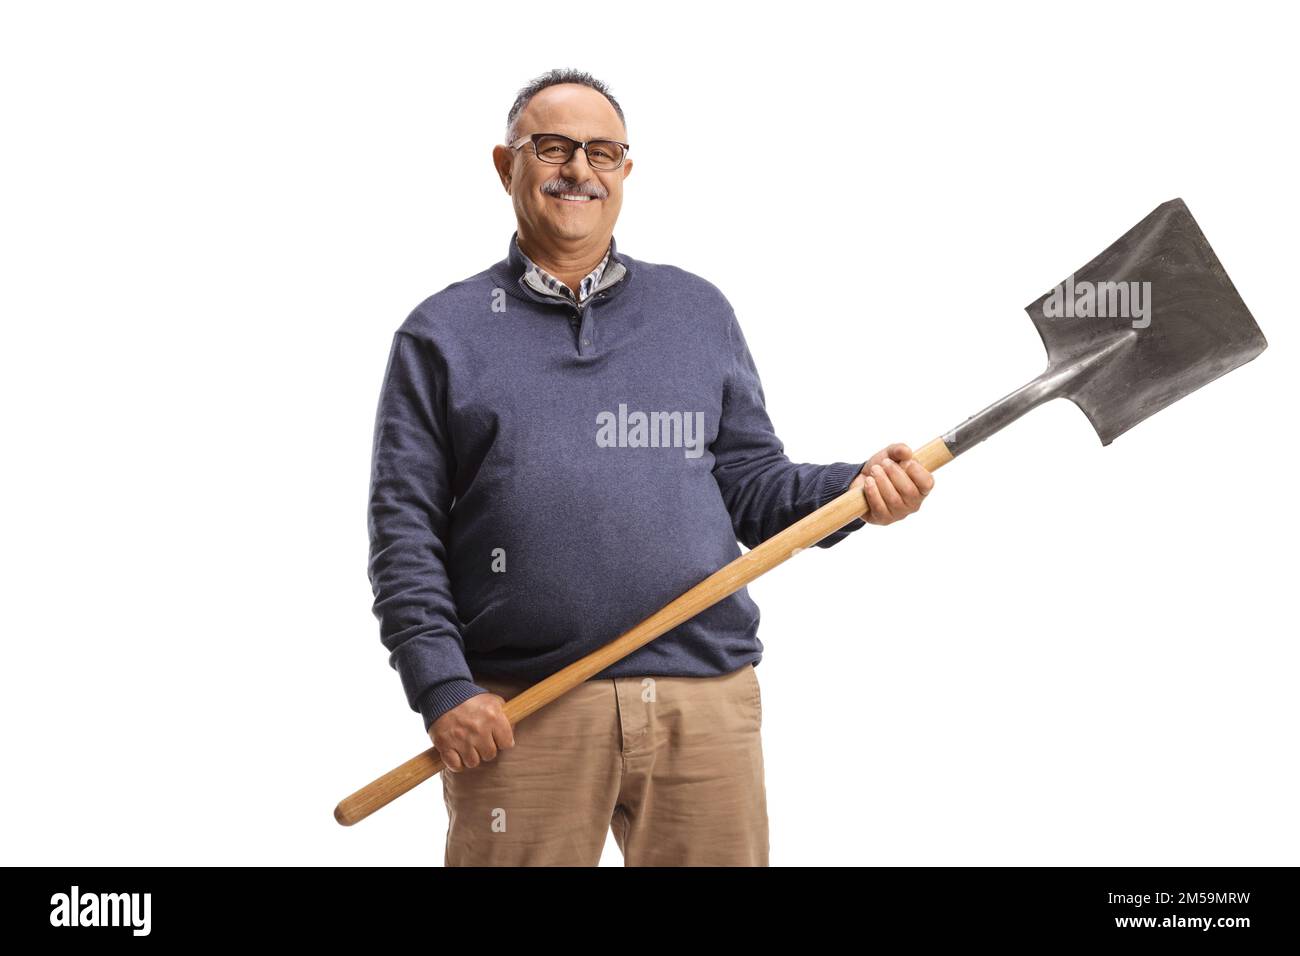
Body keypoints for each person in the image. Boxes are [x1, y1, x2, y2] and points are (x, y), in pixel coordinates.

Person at [366, 68, 935, 866]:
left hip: (704, 700)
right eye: (554, 147)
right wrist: (443, 688)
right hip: (522, 711)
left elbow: (753, 486)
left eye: (603, 152)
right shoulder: (443, 334)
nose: (579, 171)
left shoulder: (695, 311)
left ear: (625, 171)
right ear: (507, 165)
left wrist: (855, 490)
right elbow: (404, 537)